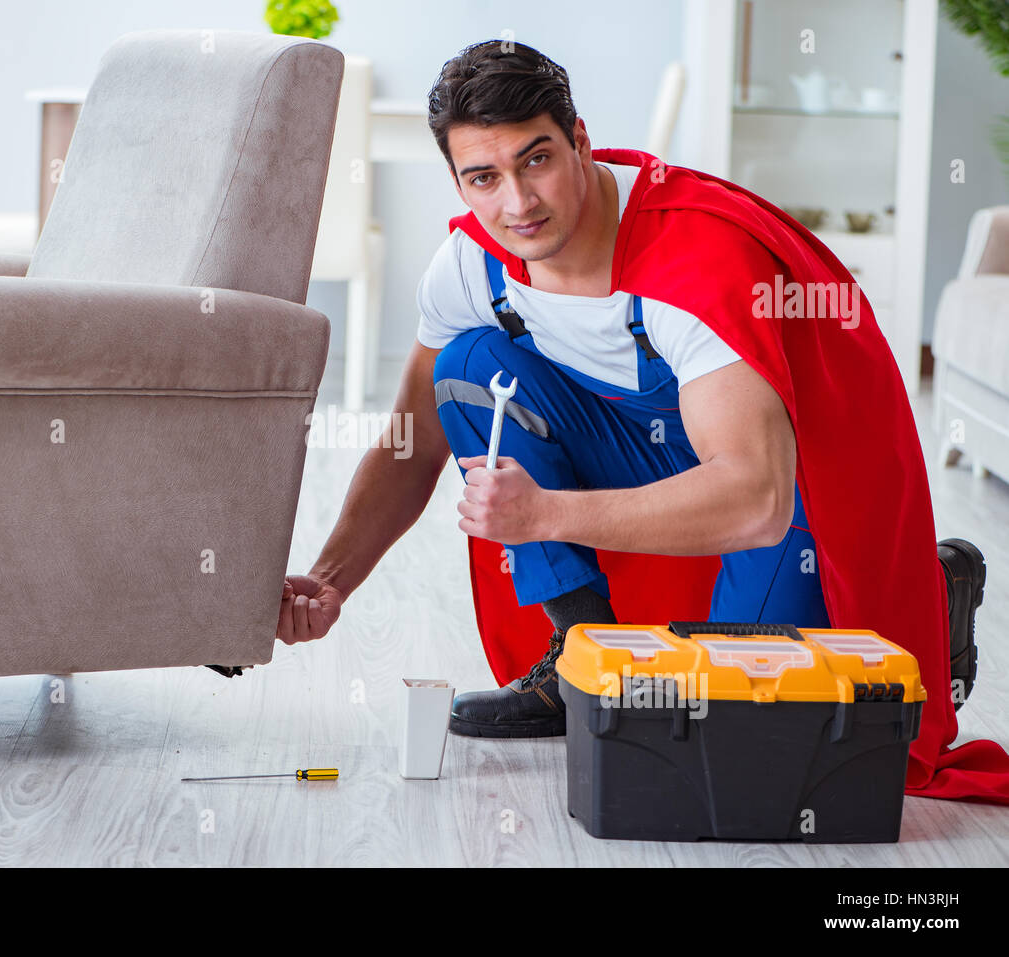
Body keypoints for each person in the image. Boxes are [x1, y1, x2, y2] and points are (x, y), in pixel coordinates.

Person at [276, 40, 1005, 802]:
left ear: (580, 141)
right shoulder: (468, 264)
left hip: (793, 491)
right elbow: (414, 440)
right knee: (465, 367)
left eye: (536, 160)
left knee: (734, 737)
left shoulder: (696, 264)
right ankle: (580, 658)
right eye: (483, 178)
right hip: (664, 456)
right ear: (458, 181)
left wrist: (544, 514)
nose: (517, 204)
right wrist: (329, 581)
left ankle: (930, 588)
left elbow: (757, 498)